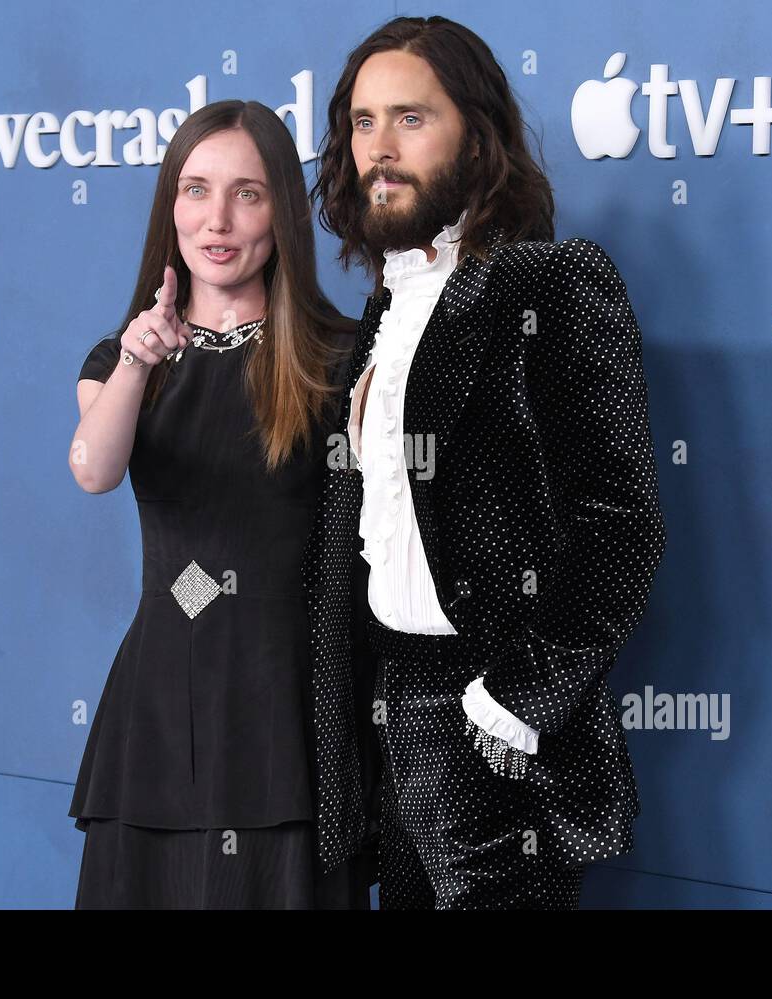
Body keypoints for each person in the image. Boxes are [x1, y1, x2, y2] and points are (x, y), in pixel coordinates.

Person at [302, 16, 668, 908]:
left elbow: (623, 526)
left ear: (477, 133)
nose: (379, 149)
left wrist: (509, 702)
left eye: (411, 119)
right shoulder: (381, 314)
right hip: (394, 715)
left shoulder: (552, 283)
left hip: (495, 722)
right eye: (362, 122)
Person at [66, 99, 372, 908]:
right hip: (159, 708)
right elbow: (93, 469)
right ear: (170, 208)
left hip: (289, 716)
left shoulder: (342, 355)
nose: (218, 218)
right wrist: (138, 360)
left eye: (248, 192)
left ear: (283, 212)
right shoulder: (122, 356)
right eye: (196, 190)